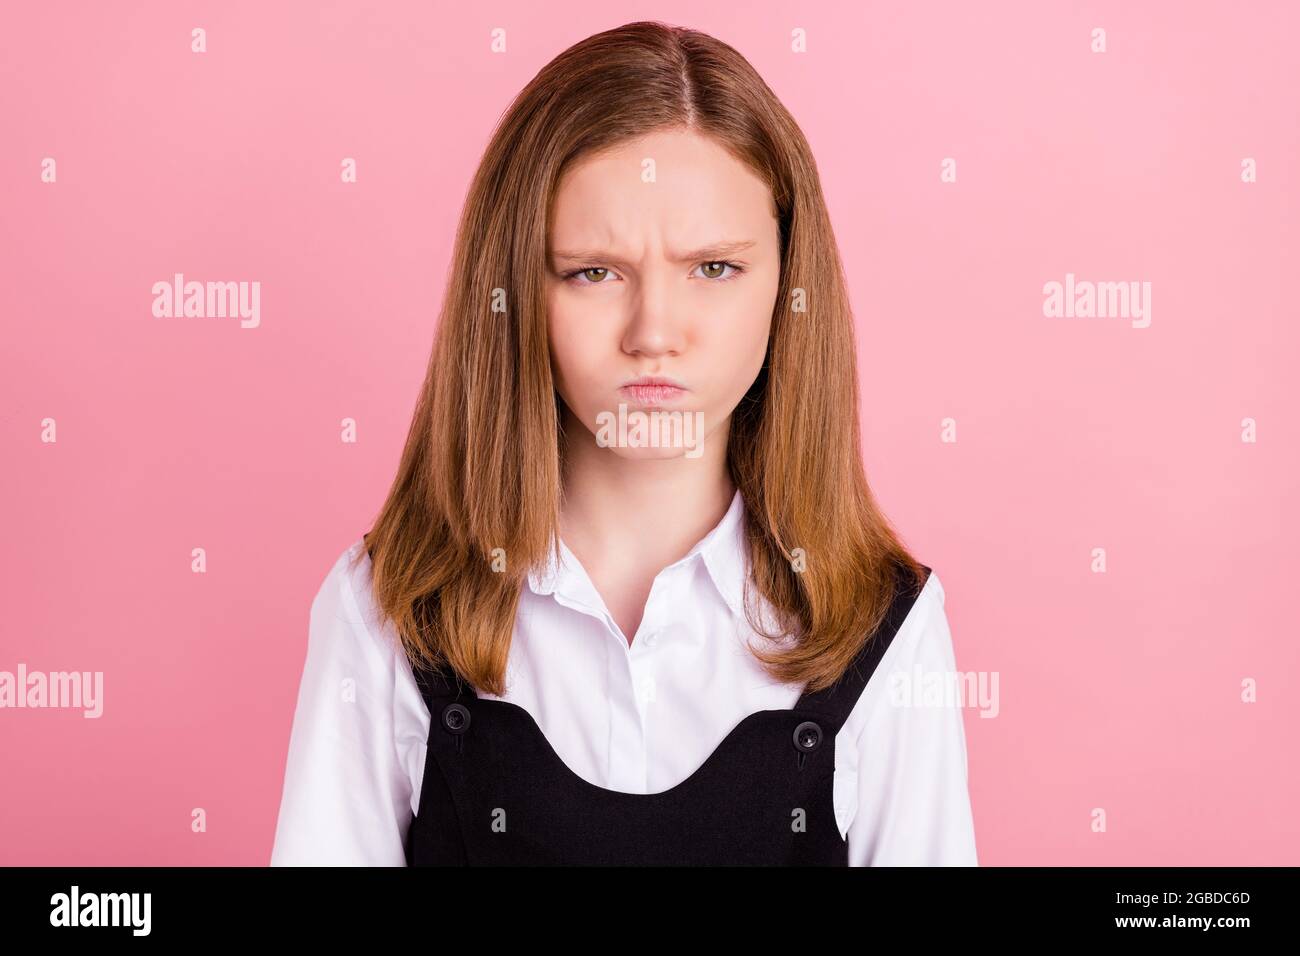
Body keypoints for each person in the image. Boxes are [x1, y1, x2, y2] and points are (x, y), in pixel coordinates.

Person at [271, 20, 978, 866]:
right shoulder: (382, 612)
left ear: (789, 287)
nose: (653, 332)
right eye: (593, 272)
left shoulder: (889, 628)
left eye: (713, 268)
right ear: (514, 294)